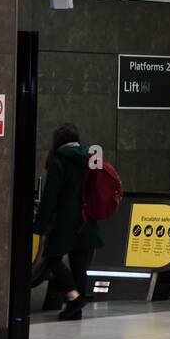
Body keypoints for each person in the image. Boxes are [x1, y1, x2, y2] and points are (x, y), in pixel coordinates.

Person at [33, 123, 104, 321]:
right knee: (79, 265)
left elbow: (50, 197)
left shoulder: (59, 161)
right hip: (88, 219)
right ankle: (75, 309)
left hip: (66, 220)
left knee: (52, 258)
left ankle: (74, 296)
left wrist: (39, 225)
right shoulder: (91, 158)